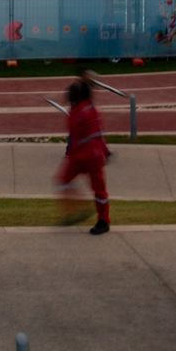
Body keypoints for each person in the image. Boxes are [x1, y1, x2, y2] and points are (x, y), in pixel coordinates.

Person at [54, 78, 112, 235]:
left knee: (63, 181)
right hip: (94, 156)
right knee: (100, 191)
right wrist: (105, 151)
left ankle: (77, 208)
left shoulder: (75, 114)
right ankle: (103, 220)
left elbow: (75, 136)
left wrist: (69, 152)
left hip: (81, 157)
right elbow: (98, 133)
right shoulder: (92, 110)